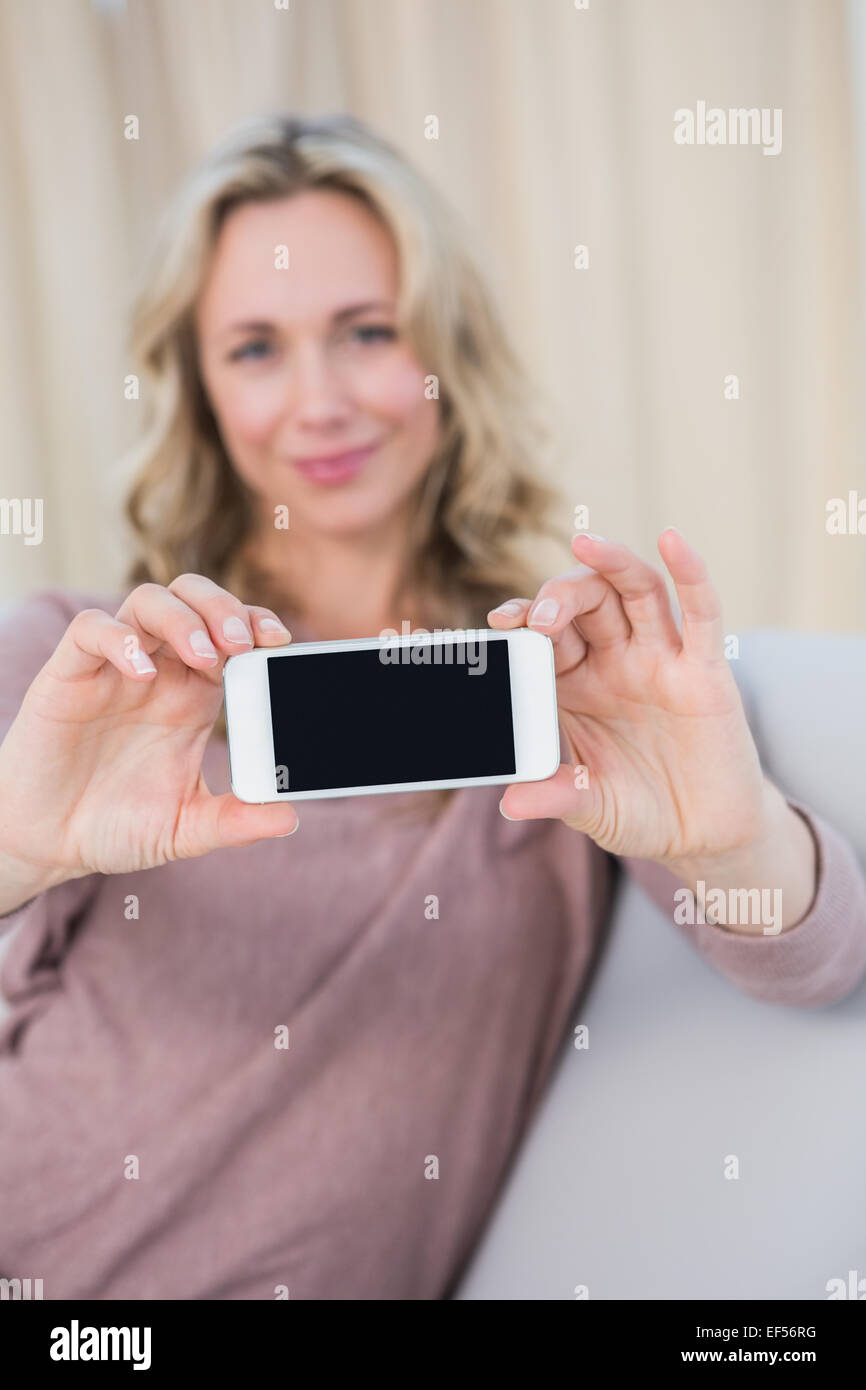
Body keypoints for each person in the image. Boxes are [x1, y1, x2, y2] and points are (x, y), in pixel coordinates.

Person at [0, 114, 863, 1301]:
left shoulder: (566, 682)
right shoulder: (83, 668)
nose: (319, 401)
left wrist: (734, 830)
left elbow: (815, 961)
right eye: (254, 348)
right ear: (199, 387)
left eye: (365, 330)